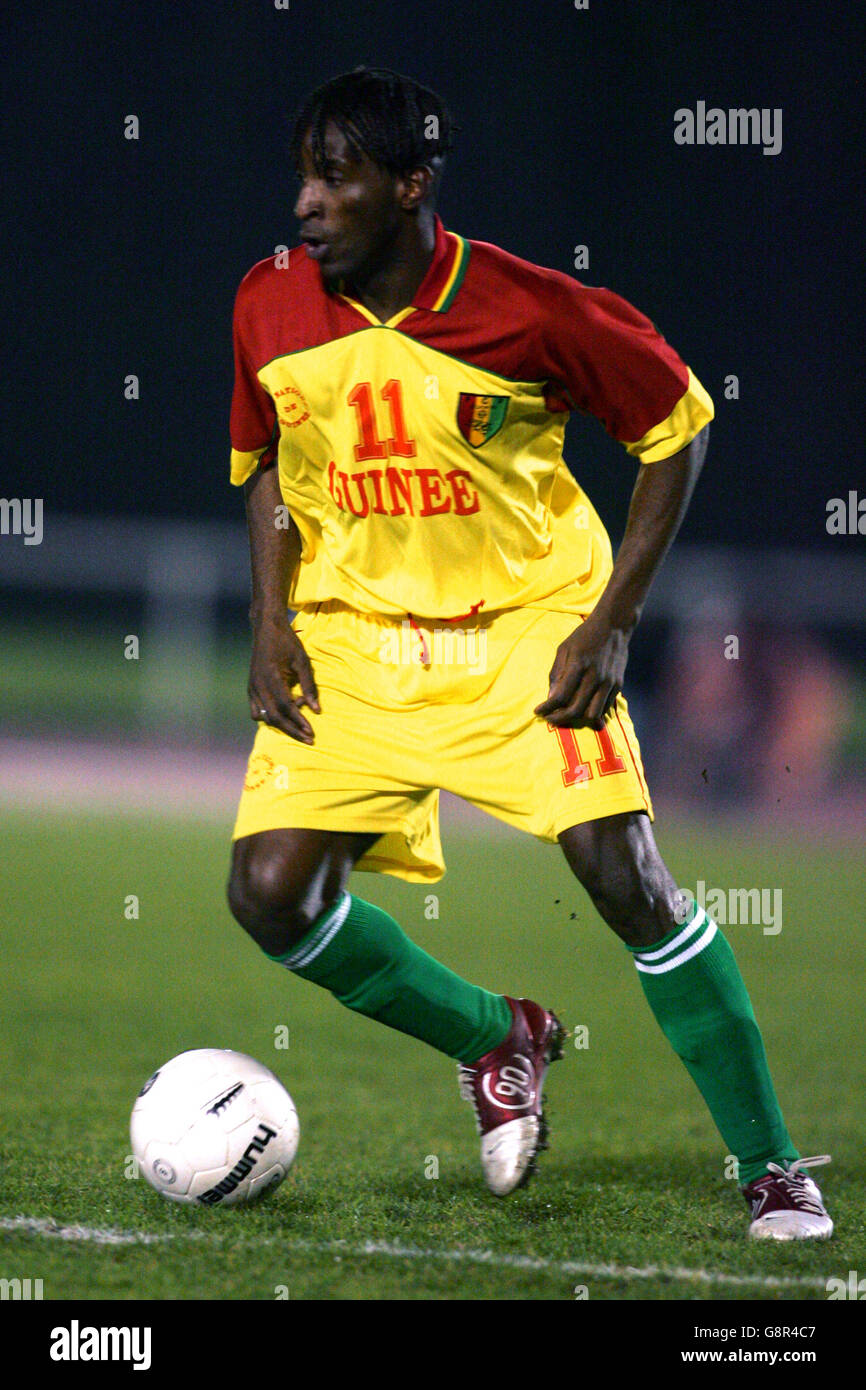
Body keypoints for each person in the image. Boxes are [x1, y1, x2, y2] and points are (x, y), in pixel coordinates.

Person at [226, 66, 831, 1239]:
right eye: (302, 172)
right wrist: (270, 622)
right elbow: (265, 468)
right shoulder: (266, 302)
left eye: (333, 177)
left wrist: (608, 621)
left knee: (627, 881)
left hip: (521, 642)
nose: (304, 201)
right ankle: (496, 1037)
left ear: (409, 188)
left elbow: (676, 429)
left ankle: (769, 1169)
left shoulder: (532, 307)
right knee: (269, 895)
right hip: (352, 649)